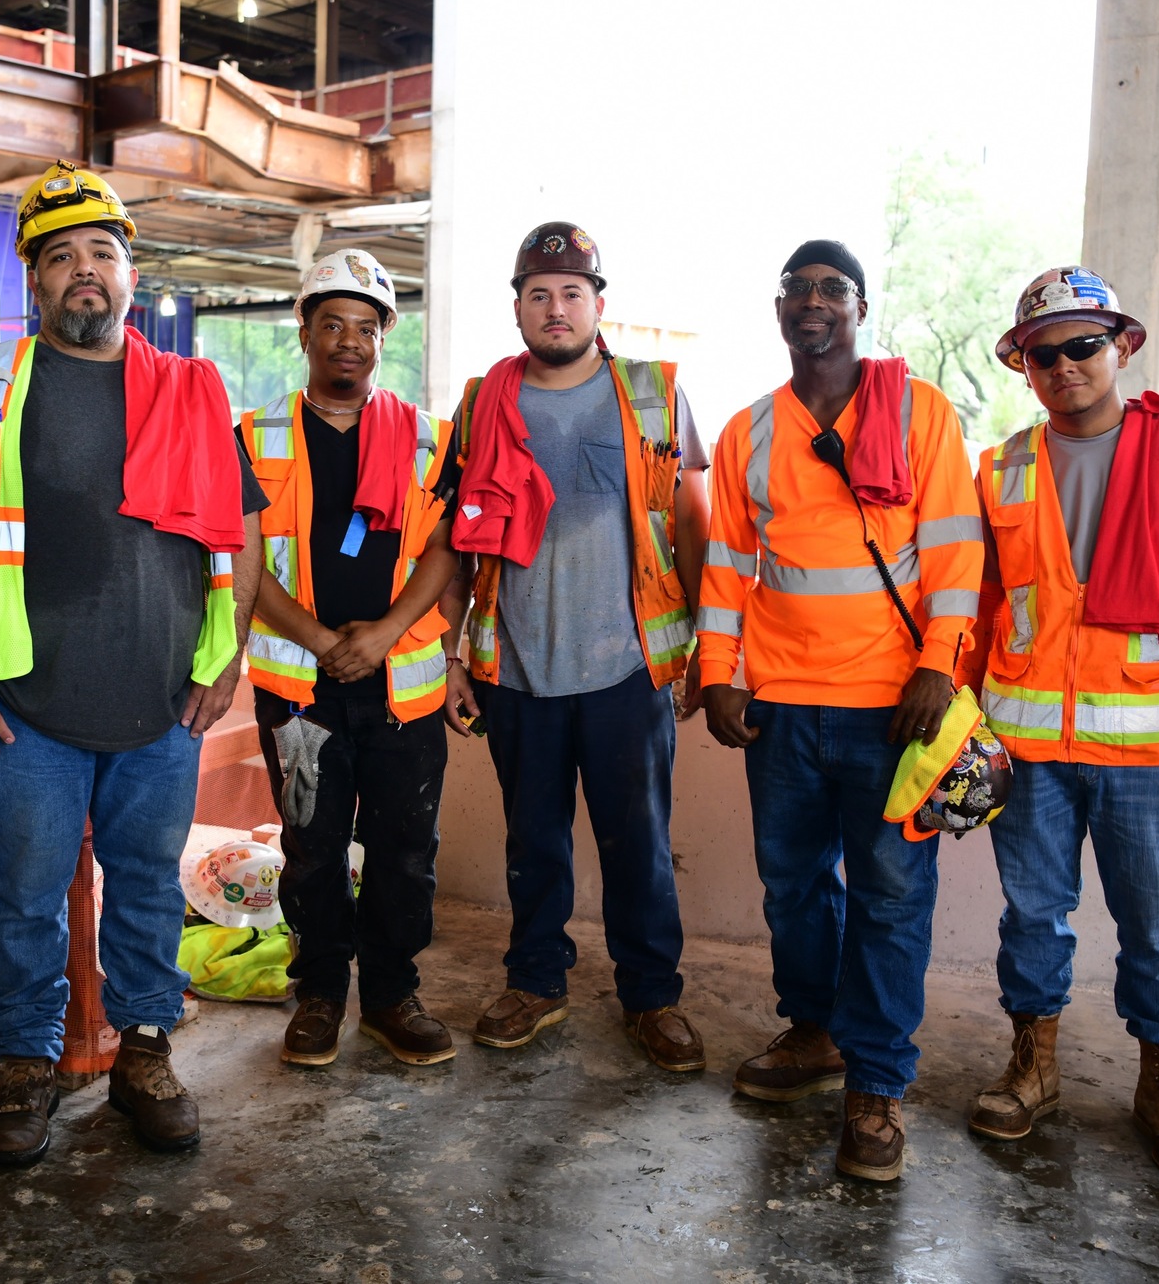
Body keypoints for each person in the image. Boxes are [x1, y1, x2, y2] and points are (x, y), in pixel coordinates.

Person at [0, 160, 264, 1168]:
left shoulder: (191, 389)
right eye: (60, 257)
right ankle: (26, 1062)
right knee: (24, 888)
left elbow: (246, 532)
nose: (83, 271)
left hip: (161, 705)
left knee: (145, 884)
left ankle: (143, 1051)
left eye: (100, 252)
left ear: (130, 273)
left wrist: (224, 657)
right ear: (34, 282)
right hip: (24, 705)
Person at [960, 268, 1159, 1179]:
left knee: (1156, 924)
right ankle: (1033, 1068)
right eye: (1042, 353)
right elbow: (982, 602)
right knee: (1033, 918)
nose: (1064, 366)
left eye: (1082, 345)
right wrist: (964, 718)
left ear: (1122, 346)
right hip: (1027, 751)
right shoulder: (1003, 468)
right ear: (1024, 367)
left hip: (1144, 754)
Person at [699, 240, 985, 1181]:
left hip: (892, 711)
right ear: (780, 311)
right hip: (780, 709)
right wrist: (717, 674)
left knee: (893, 899)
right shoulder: (749, 431)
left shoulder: (919, 414)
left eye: (833, 289)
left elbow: (953, 553)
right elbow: (730, 568)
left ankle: (878, 1086)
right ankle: (814, 1031)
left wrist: (938, 665)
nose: (814, 303)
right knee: (793, 888)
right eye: (799, 290)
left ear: (860, 308)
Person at [439, 222, 711, 1073]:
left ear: (600, 303)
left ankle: (652, 995)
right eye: (537, 294)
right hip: (516, 665)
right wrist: (457, 658)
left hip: (627, 666)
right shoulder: (484, 401)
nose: (555, 309)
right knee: (535, 839)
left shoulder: (652, 394)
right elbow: (452, 537)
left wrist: (706, 644)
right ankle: (536, 981)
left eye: (571, 293)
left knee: (639, 840)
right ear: (516, 306)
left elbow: (693, 522)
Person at [242, 249, 461, 1069]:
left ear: (384, 341)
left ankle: (393, 993)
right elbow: (243, 560)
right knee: (313, 847)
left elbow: (446, 547)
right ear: (303, 332)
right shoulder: (256, 435)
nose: (349, 341)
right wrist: (320, 639)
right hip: (301, 687)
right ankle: (322, 992)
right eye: (331, 323)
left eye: (365, 328)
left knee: (407, 849)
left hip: (402, 686)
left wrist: (383, 630)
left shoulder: (427, 441)